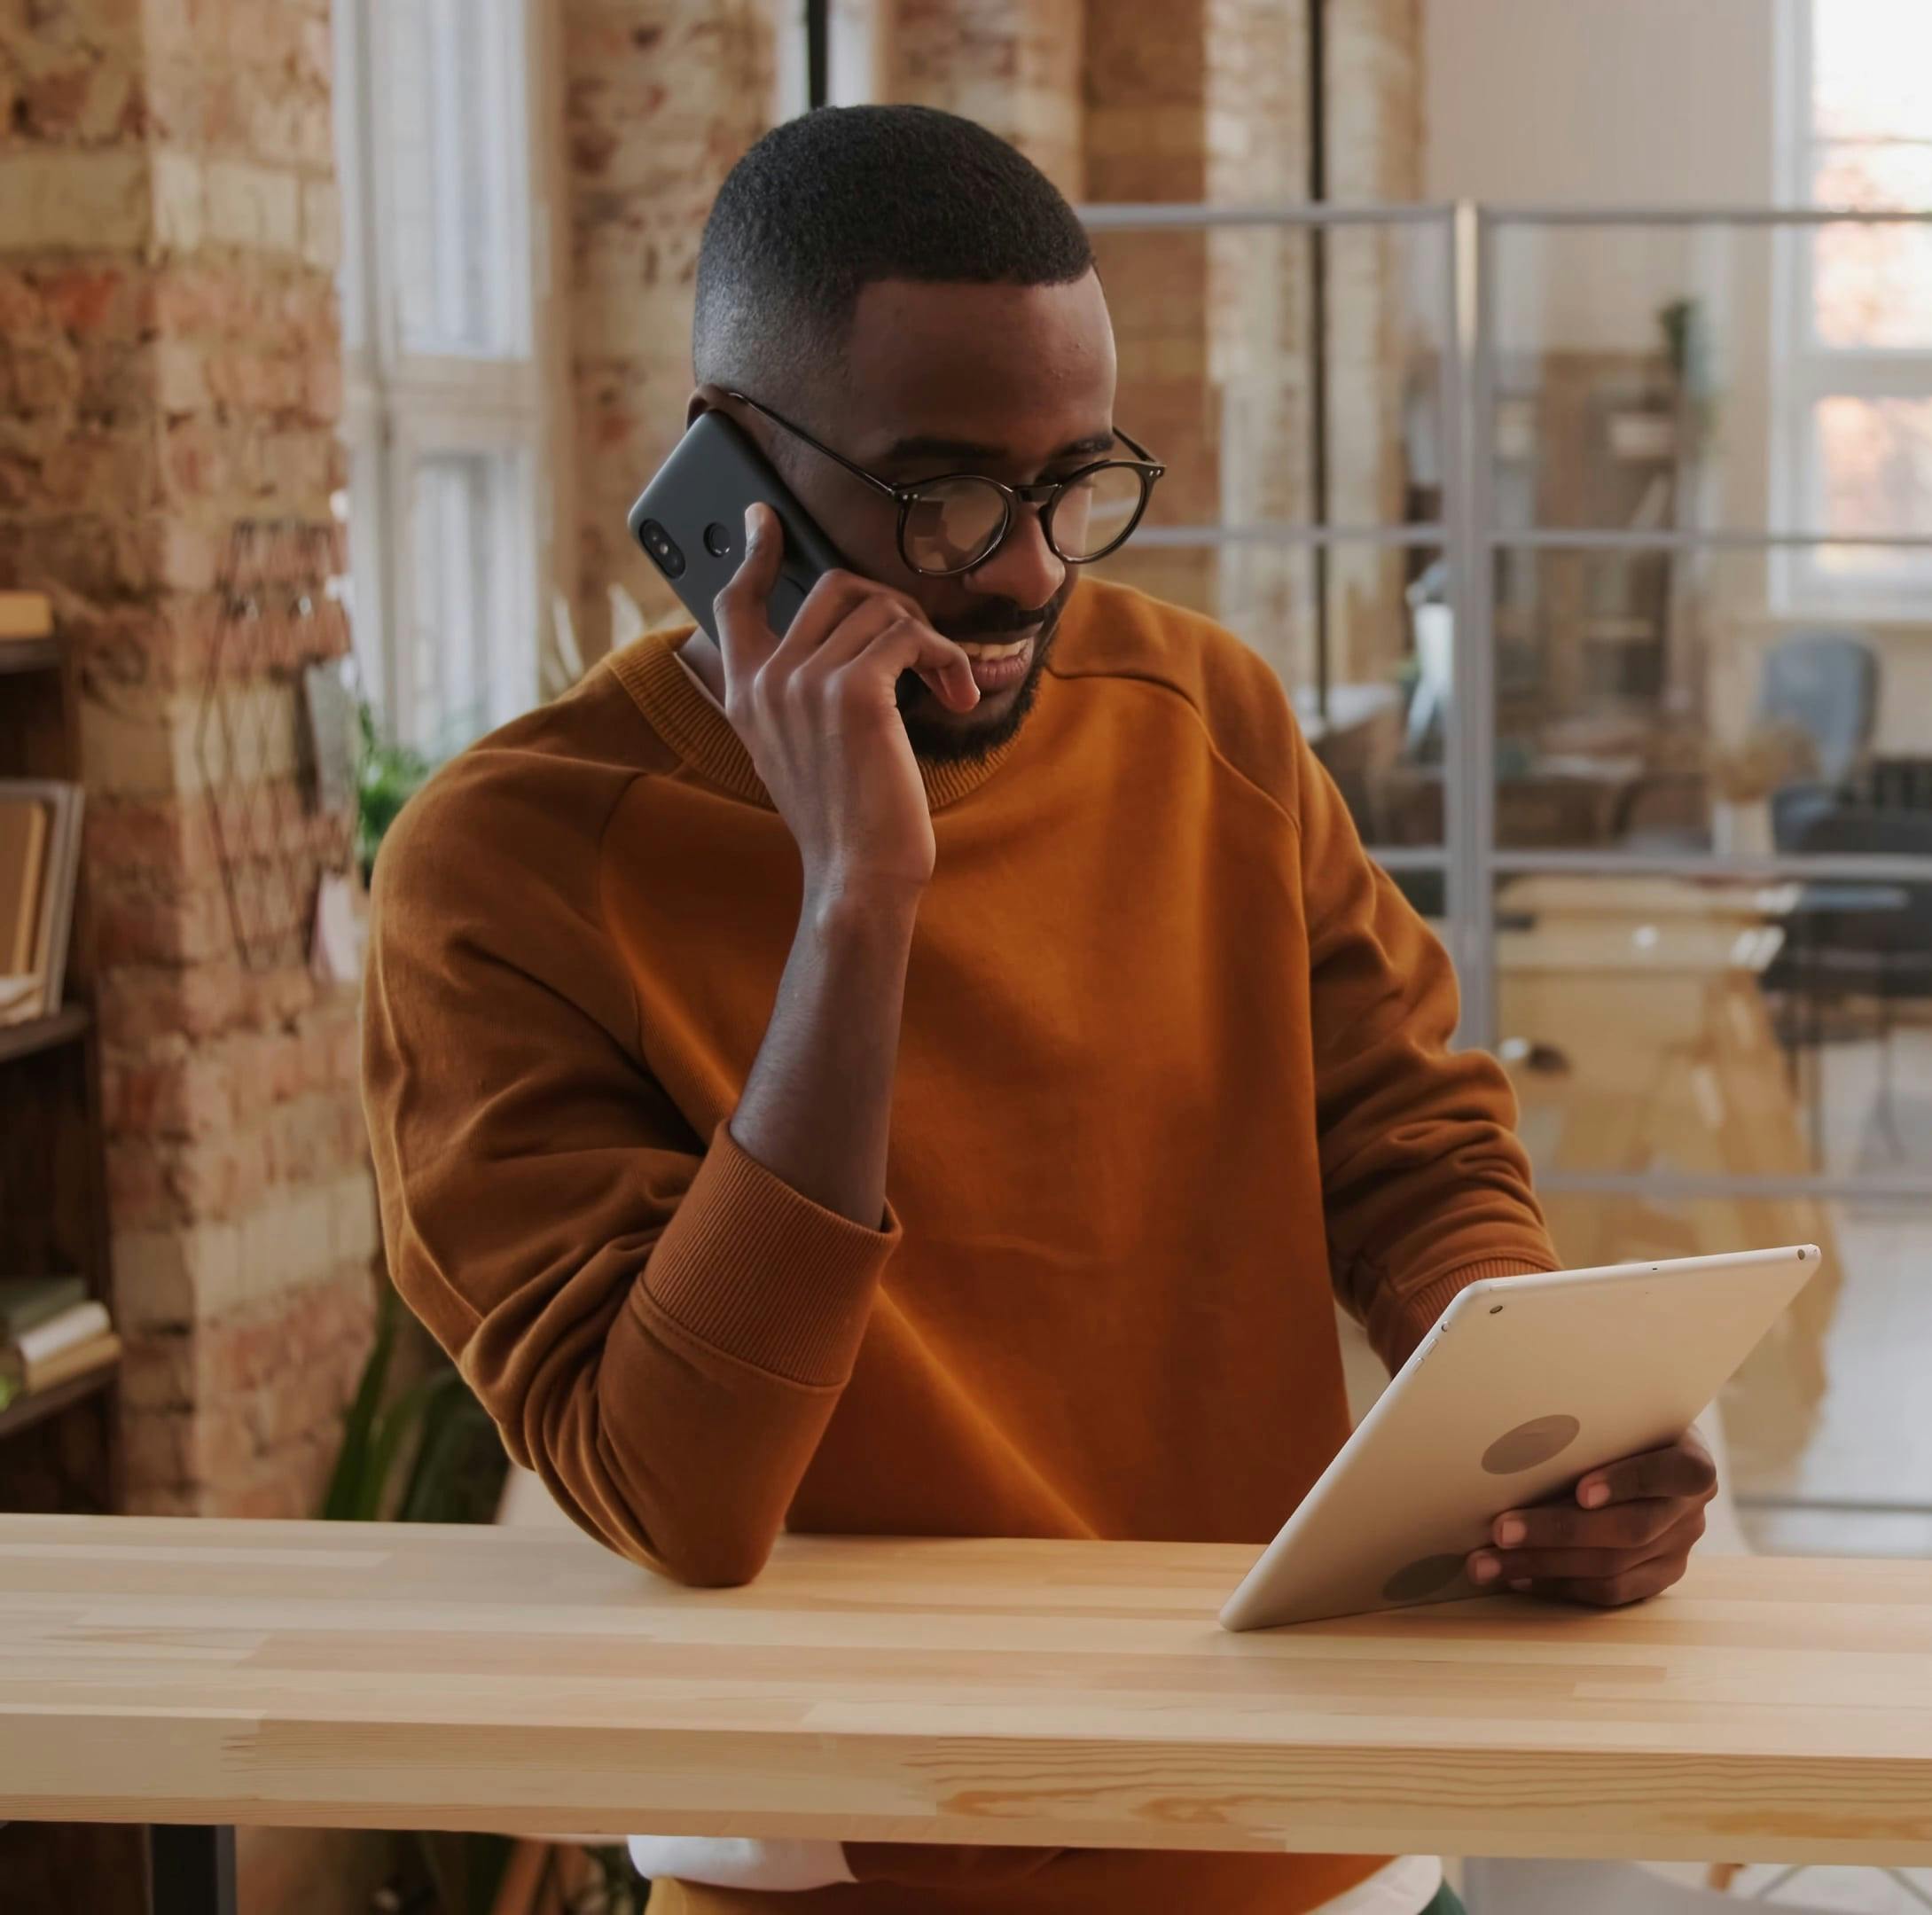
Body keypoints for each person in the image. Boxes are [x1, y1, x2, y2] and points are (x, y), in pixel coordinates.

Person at [361, 106, 1710, 1915]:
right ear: (729, 475)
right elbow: (672, 1485)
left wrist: (1544, 1427)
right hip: (844, 1876)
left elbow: (1407, 1139)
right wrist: (858, 902)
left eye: (1074, 483)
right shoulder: (505, 868)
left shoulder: (1203, 718)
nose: (1024, 571)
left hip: (1313, 1847)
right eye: (943, 494)